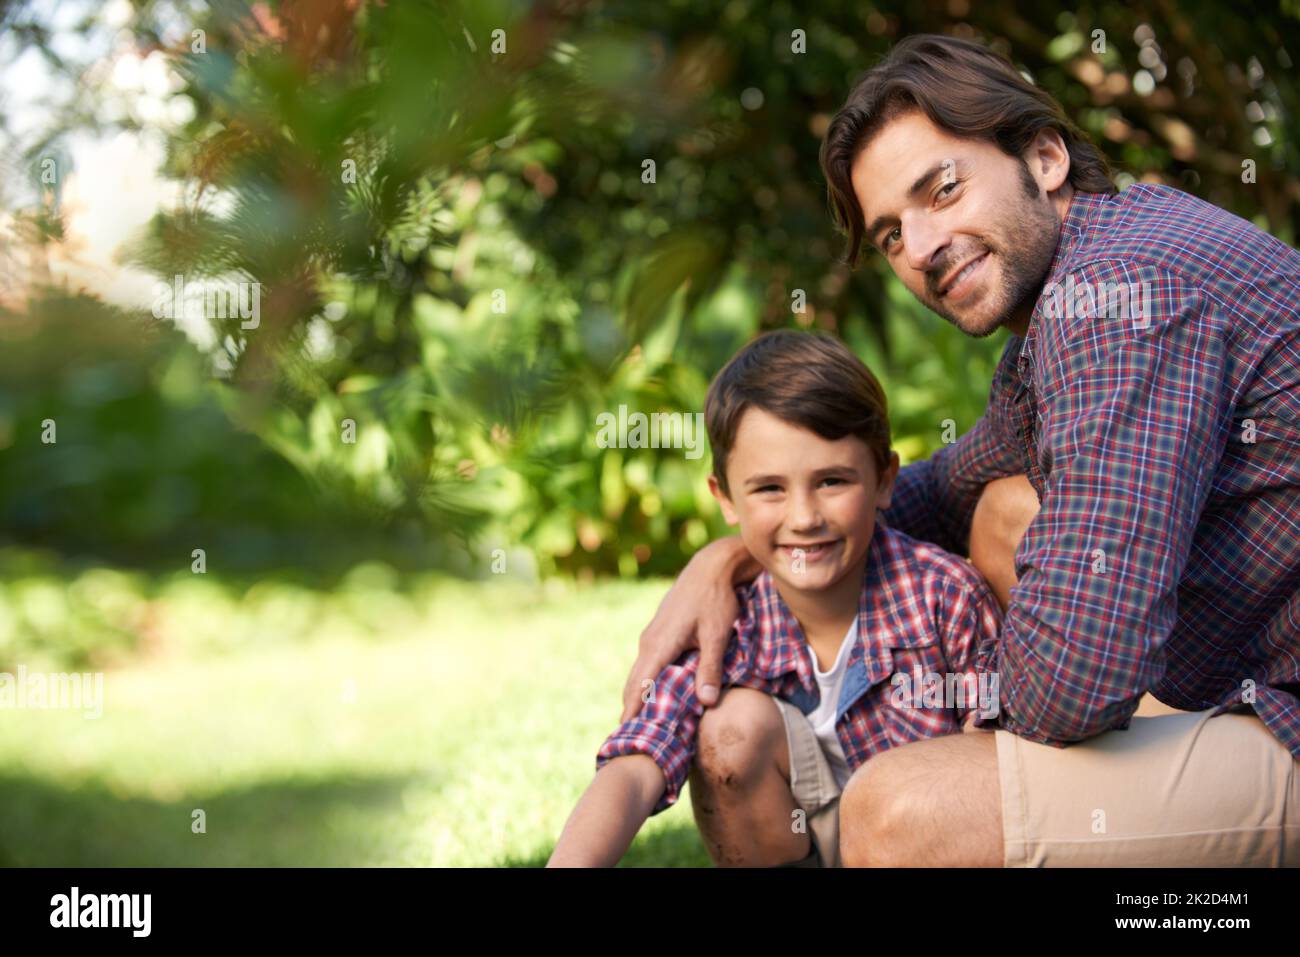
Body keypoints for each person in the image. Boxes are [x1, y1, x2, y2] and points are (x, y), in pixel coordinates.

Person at [623, 34, 1300, 867]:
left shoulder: (1121, 294)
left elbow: (1075, 682)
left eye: (942, 189)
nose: (922, 247)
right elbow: (939, 491)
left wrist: (947, 700)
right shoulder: (1073, 298)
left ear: (1045, 157)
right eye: (891, 234)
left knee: (901, 810)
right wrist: (729, 558)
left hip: (1287, 716)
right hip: (1252, 680)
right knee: (1001, 510)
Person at [548, 330, 1002, 867]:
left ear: (885, 481)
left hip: (926, 841)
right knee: (728, 729)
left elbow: (992, 773)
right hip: (813, 838)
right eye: (769, 489)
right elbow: (635, 764)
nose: (804, 517)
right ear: (725, 498)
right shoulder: (726, 621)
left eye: (832, 481)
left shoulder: (946, 596)